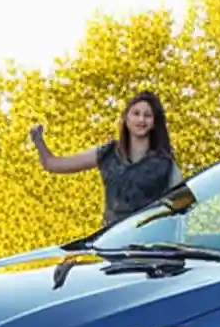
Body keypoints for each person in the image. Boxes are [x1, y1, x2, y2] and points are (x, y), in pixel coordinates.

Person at [30, 91, 182, 227]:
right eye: (136, 113)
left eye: (147, 115)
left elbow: (182, 206)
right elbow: (53, 164)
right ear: (126, 118)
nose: (141, 119)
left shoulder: (165, 164)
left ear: (154, 122)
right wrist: (39, 142)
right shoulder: (107, 153)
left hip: (148, 241)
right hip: (112, 239)